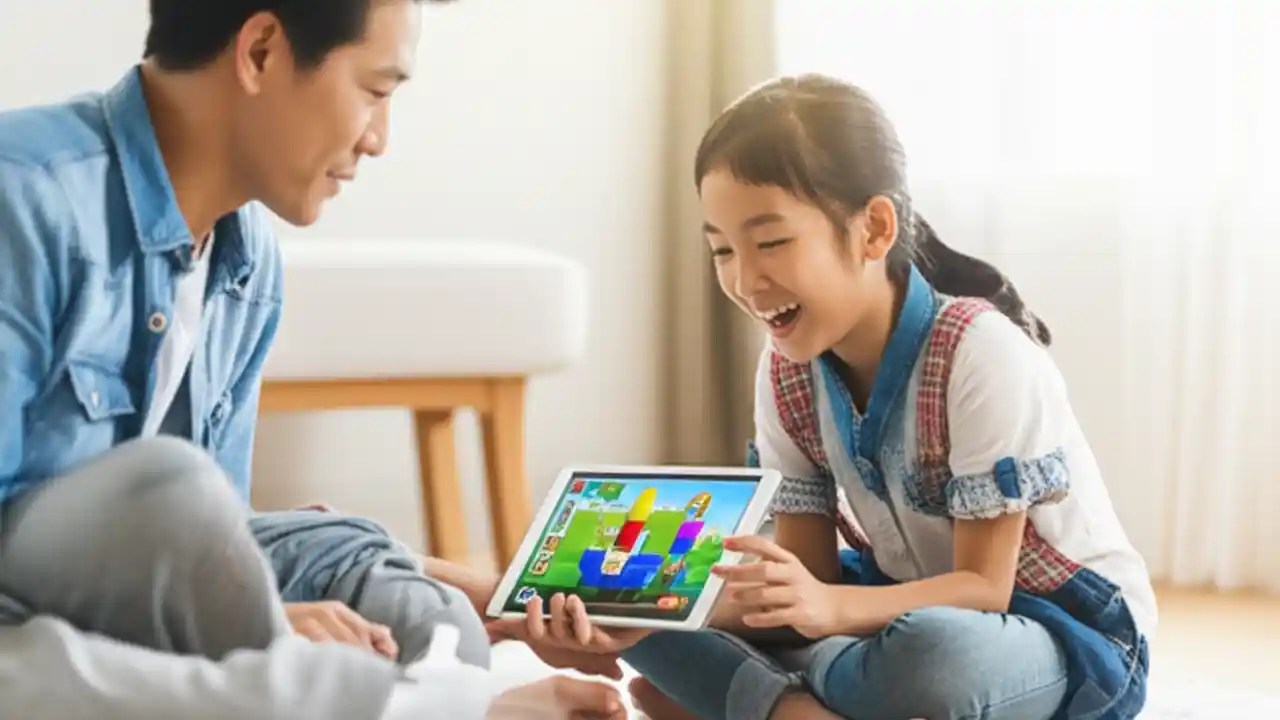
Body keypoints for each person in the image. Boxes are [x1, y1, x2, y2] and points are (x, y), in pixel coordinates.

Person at [0, 1, 623, 717]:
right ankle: (427, 705)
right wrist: (262, 630)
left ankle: (399, 691)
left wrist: (491, 598)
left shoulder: (248, 264)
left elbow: (219, 547)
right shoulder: (25, 199)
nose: (379, 139)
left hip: (132, 588)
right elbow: (177, 527)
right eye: (375, 90)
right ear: (261, 51)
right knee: (178, 493)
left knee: (409, 603)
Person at [529, 74, 1158, 720]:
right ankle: (793, 705)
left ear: (874, 229)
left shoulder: (979, 351)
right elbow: (813, 578)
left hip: (1057, 631)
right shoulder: (788, 370)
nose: (744, 280)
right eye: (722, 250)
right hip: (890, 601)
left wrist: (827, 611)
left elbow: (983, 591)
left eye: (770, 243)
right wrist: (652, 614)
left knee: (933, 657)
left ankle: (761, 697)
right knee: (647, 604)